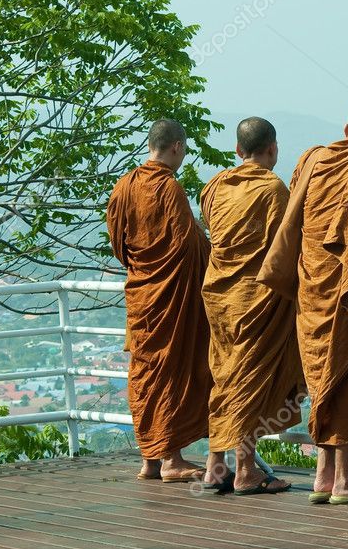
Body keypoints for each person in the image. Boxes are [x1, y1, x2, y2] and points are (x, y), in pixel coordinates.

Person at [258, 99, 348, 505]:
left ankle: (324, 474)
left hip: (312, 289)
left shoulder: (313, 160)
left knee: (323, 377)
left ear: (345, 128)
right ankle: (346, 480)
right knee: (347, 376)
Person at [199, 117, 305, 495]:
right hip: (255, 298)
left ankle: (214, 465)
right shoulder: (274, 189)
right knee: (249, 380)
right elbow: (285, 246)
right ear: (272, 148)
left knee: (225, 377)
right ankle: (245, 469)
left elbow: (212, 231)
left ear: (238, 150)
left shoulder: (214, 187)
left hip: (218, 297)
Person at [107, 119, 213, 483]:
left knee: (146, 372)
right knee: (169, 370)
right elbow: (188, 245)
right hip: (170, 297)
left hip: (142, 293)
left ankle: (150, 459)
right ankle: (171, 460)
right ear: (177, 147)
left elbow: (119, 244)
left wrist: (145, 269)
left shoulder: (125, 185)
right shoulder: (169, 189)